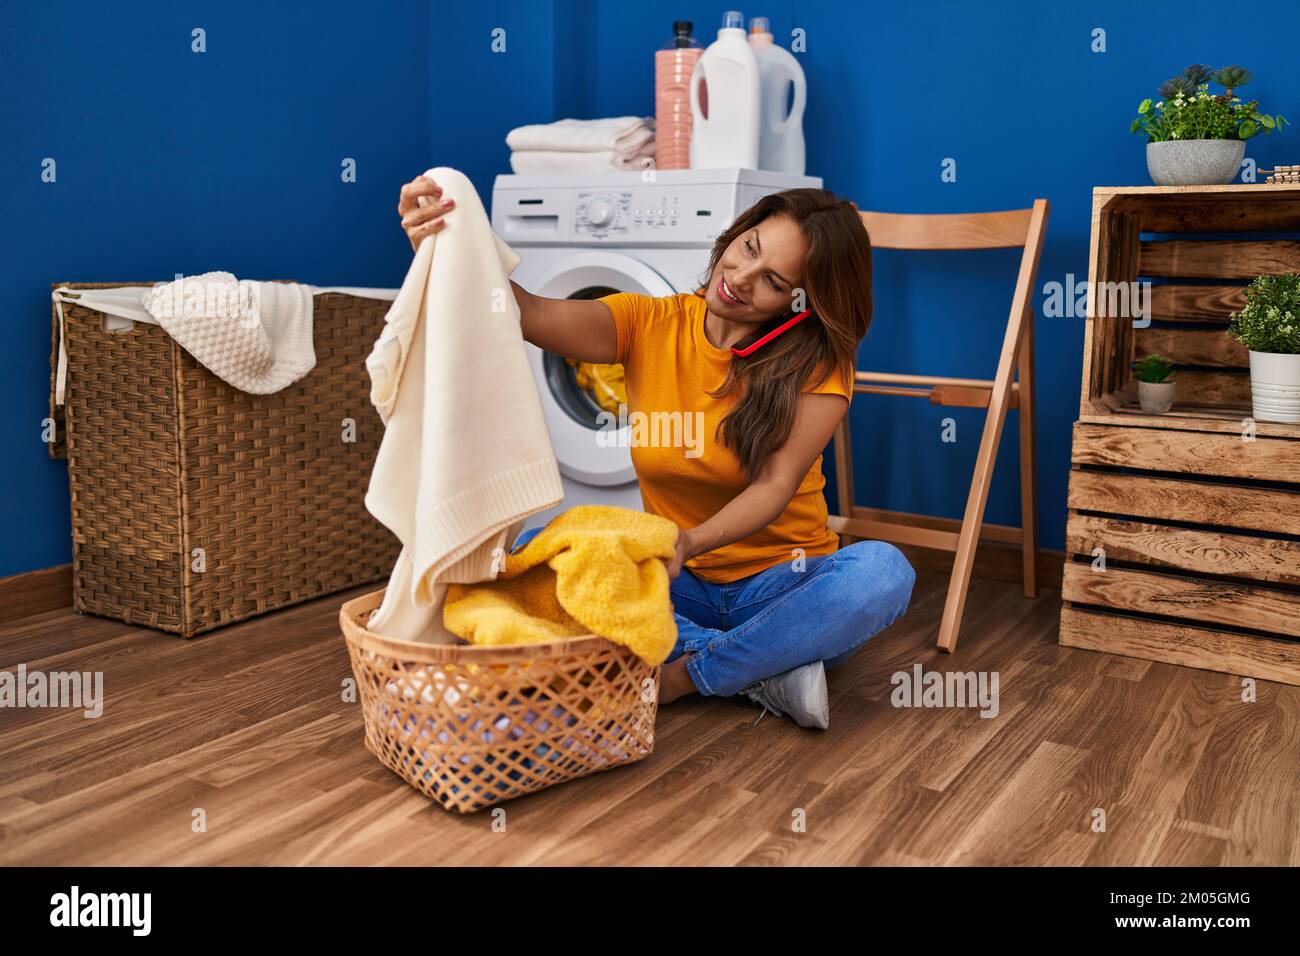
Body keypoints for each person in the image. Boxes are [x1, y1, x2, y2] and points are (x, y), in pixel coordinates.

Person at [395, 175, 915, 729]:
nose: (738, 278)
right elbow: (526, 313)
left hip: (784, 586)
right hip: (675, 585)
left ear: (798, 304)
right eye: (748, 248)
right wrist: (443, 245)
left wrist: (689, 541)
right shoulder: (650, 323)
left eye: (771, 280)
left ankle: (685, 675)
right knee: (535, 552)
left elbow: (774, 486)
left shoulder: (816, 364)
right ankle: (766, 667)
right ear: (739, 232)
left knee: (883, 572)